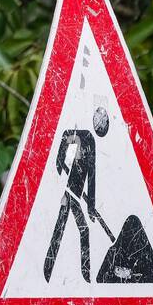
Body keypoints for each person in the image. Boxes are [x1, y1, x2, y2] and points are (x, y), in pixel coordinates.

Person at [44, 106, 111, 282]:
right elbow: (59, 166)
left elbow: (92, 177)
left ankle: (79, 274)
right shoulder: (69, 136)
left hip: (75, 193)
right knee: (75, 229)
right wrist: (64, 188)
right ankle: (50, 270)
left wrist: (91, 206)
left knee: (65, 228)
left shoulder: (90, 141)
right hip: (67, 193)